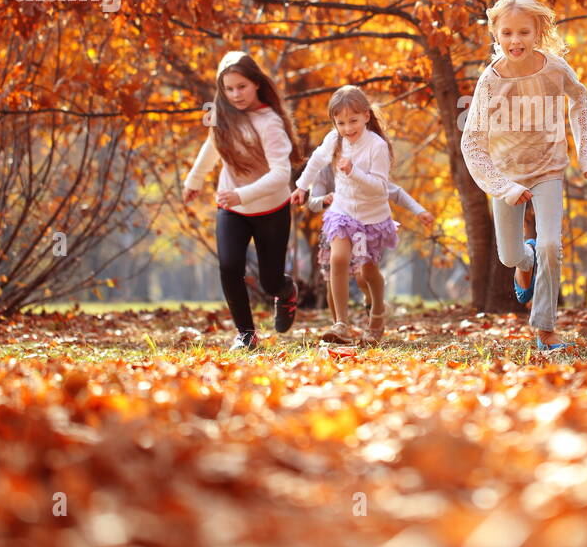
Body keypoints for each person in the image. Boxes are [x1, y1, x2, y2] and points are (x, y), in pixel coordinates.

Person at [460, 0, 587, 351]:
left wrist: (586, 154)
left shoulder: (554, 68)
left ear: (538, 32)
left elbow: (579, 97)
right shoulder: (490, 82)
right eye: (507, 33)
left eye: (523, 32)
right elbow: (472, 142)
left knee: (552, 244)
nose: (515, 41)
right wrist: (503, 186)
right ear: (495, 34)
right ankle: (527, 257)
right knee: (509, 256)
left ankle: (545, 329)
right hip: (506, 173)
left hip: (548, 167)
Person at [182, 51, 302, 350]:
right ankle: (246, 334)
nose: (235, 94)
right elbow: (212, 148)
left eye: (242, 87)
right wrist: (194, 181)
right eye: (229, 88)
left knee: (269, 282)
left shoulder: (269, 122)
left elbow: (281, 174)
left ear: (257, 84)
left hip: (270, 208)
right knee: (229, 266)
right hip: (231, 207)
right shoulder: (221, 114)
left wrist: (242, 194)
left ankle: (286, 292)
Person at [290, 85, 397, 344]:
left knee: (367, 271)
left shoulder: (376, 146)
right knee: (338, 259)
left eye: (353, 121)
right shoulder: (334, 139)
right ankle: (341, 324)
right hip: (343, 211)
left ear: (366, 116)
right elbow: (315, 161)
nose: (348, 128)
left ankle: (378, 314)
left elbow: (380, 188)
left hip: (371, 216)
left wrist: (353, 172)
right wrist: (301, 187)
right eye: (341, 123)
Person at [303, 164, 434, 326]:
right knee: (332, 281)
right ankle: (339, 325)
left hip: (363, 228)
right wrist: (323, 199)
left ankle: (372, 301)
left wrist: (419, 211)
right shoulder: (324, 171)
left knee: (363, 277)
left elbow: (395, 192)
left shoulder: (365, 169)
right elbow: (312, 202)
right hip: (335, 229)